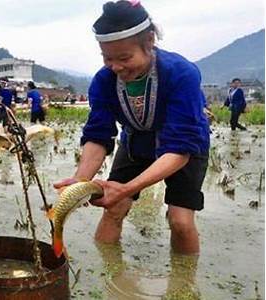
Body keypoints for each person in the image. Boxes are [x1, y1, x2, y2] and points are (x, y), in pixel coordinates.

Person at [54, 0, 210, 255]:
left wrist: (127, 188)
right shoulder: (104, 81)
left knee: (180, 221)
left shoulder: (181, 74)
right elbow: (98, 135)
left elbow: (179, 149)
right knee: (113, 207)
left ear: (149, 41)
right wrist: (81, 180)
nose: (116, 66)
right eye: (107, 58)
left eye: (124, 57)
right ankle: (107, 276)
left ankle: (184, 285)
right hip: (136, 141)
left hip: (186, 148)